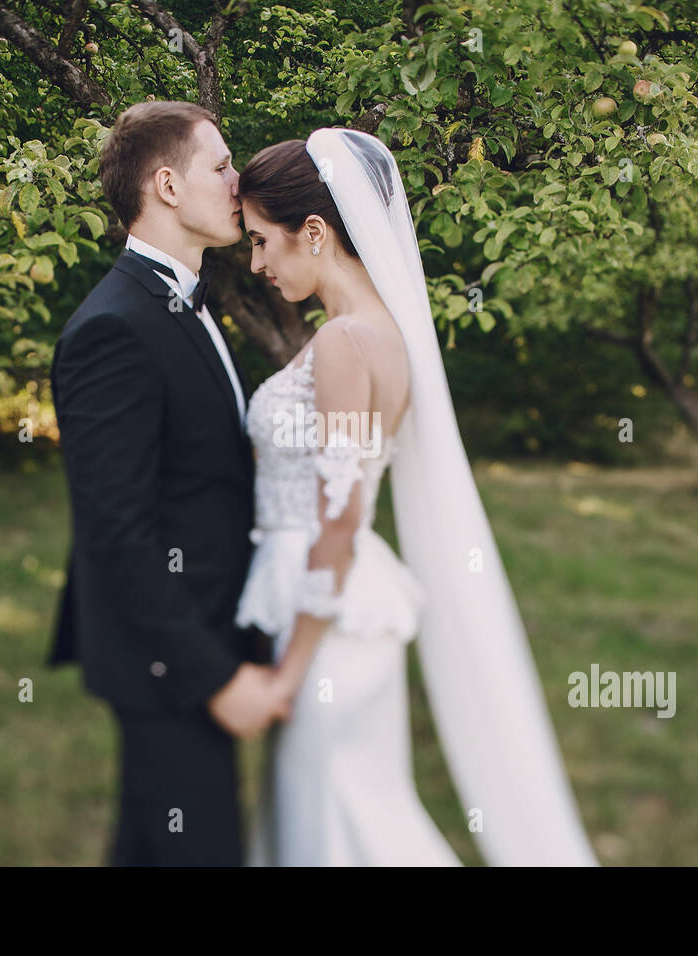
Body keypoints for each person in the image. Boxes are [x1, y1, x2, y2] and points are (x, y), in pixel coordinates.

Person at [234, 129, 599, 866]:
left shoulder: (343, 345)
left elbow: (338, 519)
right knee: (360, 814)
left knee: (336, 827)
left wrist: (288, 674)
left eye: (261, 241)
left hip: (327, 625)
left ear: (314, 232)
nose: (256, 263)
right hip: (346, 611)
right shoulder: (380, 334)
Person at [48, 100, 289, 866]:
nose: (238, 179)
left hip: (207, 632)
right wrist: (213, 678)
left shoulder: (187, 302)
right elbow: (116, 533)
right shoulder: (112, 329)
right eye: (220, 165)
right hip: (168, 664)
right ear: (168, 186)